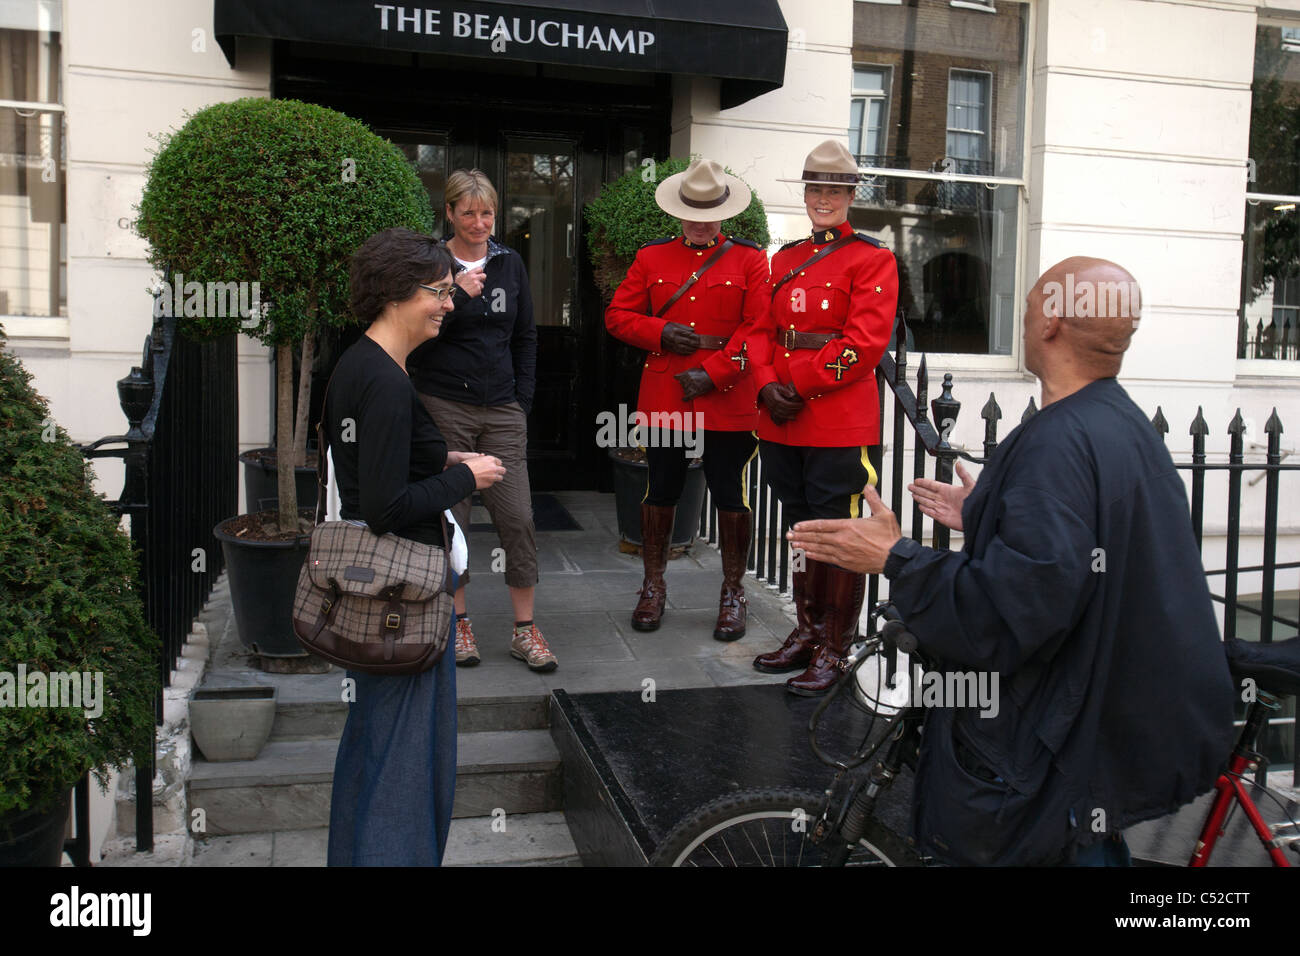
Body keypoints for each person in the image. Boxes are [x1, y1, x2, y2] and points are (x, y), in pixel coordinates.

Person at [787, 257, 1236, 866]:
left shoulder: (1057, 445)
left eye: (1028, 303)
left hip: (1041, 764)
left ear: (1051, 321)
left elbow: (1010, 611)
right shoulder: (1122, 423)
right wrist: (986, 513)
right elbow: (1081, 555)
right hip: (1089, 753)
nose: (1022, 315)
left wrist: (896, 557)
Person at [324, 228, 506, 866]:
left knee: (376, 747)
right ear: (396, 295)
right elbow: (381, 506)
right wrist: (464, 478)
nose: (448, 304)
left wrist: (442, 456)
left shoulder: (362, 363)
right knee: (404, 762)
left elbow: (379, 466)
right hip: (403, 598)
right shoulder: (384, 381)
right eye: (437, 291)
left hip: (386, 596)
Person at [747, 139, 899, 694]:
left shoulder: (872, 258)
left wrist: (793, 382)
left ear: (851, 196)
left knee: (840, 533)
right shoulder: (783, 259)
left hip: (836, 418)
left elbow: (864, 344)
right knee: (802, 530)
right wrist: (765, 383)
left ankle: (836, 647)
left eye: (835, 191)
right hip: (783, 416)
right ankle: (807, 632)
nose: (824, 199)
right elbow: (760, 332)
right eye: (816, 189)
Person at [604, 158, 769, 638]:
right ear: (678, 212)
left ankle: (733, 594)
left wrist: (715, 374)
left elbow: (758, 328)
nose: (699, 222)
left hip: (728, 390)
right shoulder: (652, 257)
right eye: (690, 212)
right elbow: (617, 315)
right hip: (668, 387)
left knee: (729, 490)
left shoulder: (750, 258)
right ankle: (653, 588)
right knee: (661, 487)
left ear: (724, 212)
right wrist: (658, 331)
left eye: (708, 212)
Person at [406, 169, 556, 672]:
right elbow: (420, 332)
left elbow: (526, 338)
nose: (478, 222)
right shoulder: (433, 263)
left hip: (502, 408)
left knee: (519, 518)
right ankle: (459, 623)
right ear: (448, 212)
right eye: (467, 212)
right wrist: (462, 294)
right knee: (456, 520)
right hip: (445, 403)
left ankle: (524, 629)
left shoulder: (509, 263)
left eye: (486, 212)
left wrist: (522, 401)